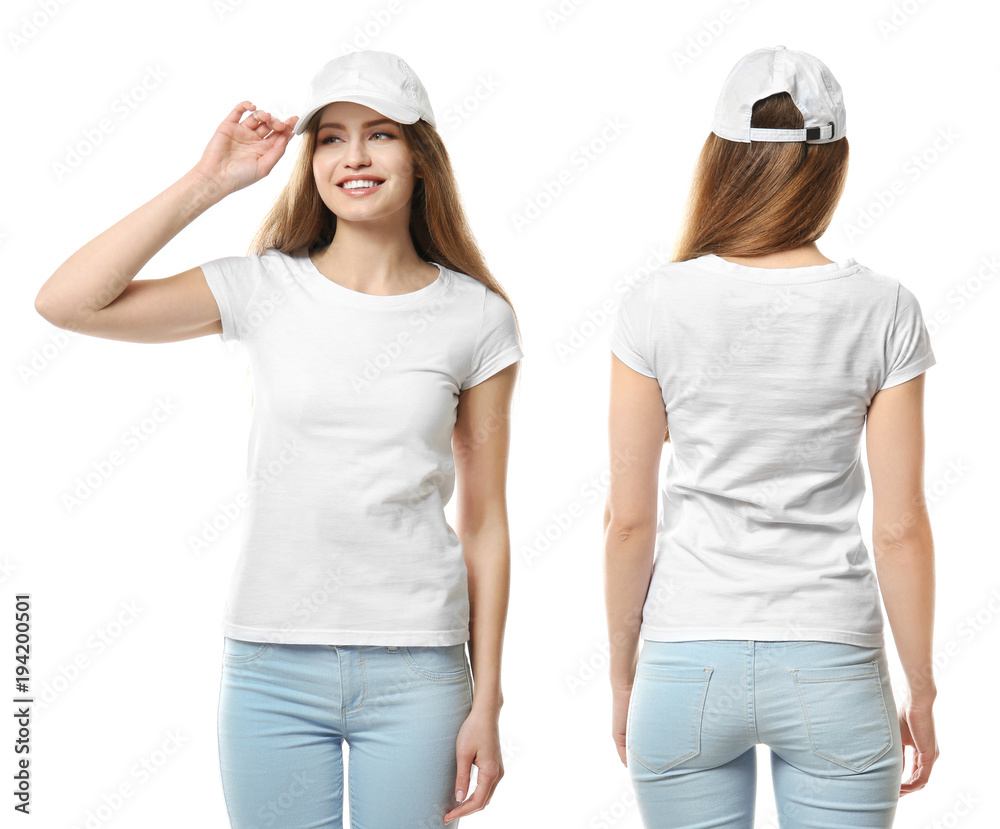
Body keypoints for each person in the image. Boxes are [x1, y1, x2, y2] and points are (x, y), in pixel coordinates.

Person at [34, 49, 521, 827]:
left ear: (420, 158)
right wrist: (209, 181)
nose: (355, 156)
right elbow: (67, 303)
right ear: (311, 160)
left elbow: (486, 521)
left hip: (420, 667)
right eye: (331, 137)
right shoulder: (264, 287)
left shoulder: (477, 317)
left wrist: (488, 700)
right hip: (272, 665)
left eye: (381, 135)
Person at [604, 46, 939, 828]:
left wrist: (624, 672)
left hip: (686, 659)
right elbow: (899, 526)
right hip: (834, 661)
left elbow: (627, 520)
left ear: (719, 160)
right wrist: (920, 685)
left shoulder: (654, 303)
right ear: (834, 164)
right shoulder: (884, 308)